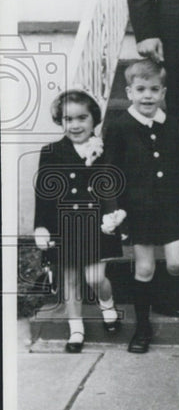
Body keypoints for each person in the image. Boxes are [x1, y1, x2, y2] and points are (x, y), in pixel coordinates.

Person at [103, 60, 179, 354]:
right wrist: (116, 209)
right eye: (141, 89)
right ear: (129, 92)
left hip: (170, 206)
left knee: (177, 262)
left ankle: (164, 298)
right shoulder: (119, 126)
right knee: (145, 266)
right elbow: (111, 172)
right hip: (138, 210)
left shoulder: (172, 123)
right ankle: (142, 327)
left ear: (163, 91)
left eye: (154, 89)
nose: (148, 95)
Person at [33, 91, 123, 353]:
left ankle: (107, 304)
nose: (74, 125)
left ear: (94, 118)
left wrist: (114, 214)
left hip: (97, 223)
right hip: (64, 224)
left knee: (95, 277)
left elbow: (110, 186)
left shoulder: (103, 149)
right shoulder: (51, 152)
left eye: (82, 118)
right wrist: (41, 226)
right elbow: (44, 192)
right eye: (67, 119)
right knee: (70, 279)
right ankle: (76, 329)